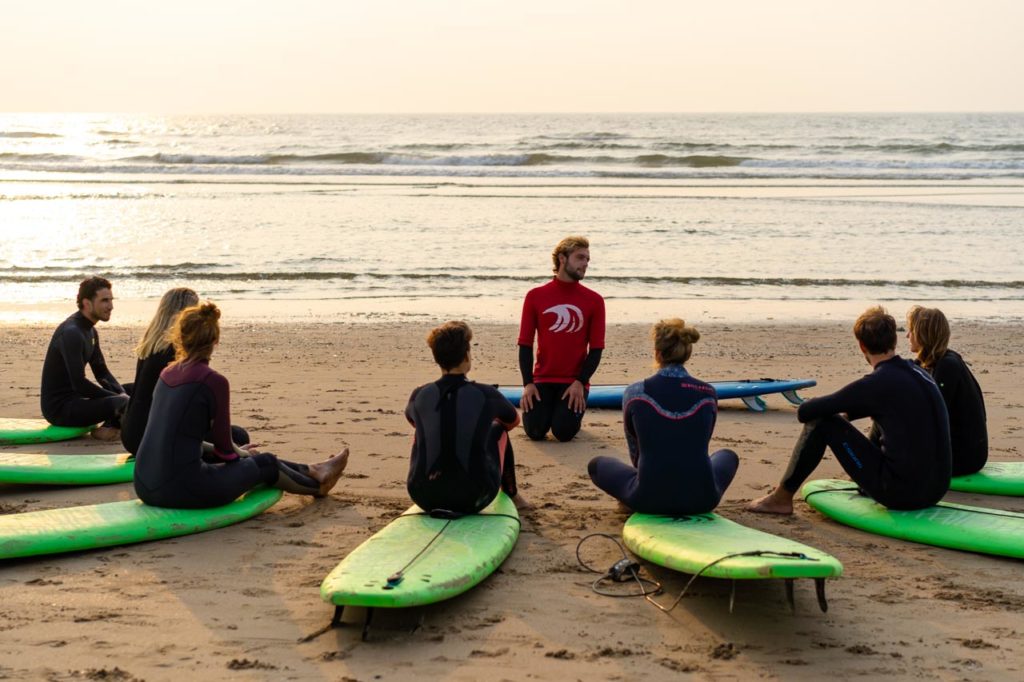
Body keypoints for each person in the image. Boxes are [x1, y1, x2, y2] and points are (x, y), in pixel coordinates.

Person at [133, 301, 348, 508]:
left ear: (179, 338)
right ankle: (318, 485)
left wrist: (239, 454)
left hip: (144, 485)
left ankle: (314, 469)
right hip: (182, 490)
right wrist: (241, 455)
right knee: (266, 462)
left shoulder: (166, 374)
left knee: (250, 458)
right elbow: (225, 452)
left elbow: (174, 437)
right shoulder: (213, 381)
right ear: (215, 340)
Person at [748, 306, 951, 515]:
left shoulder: (877, 383)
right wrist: (848, 415)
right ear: (894, 340)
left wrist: (839, 416)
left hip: (902, 494)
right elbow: (886, 404)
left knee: (821, 422)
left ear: (862, 346)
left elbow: (806, 411)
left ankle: (781, 498)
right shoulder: (918, 372)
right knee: (881, 416)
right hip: (936, 490)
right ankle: (868, 481)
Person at [588, 319, 738, 515]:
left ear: (657, 353)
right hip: (703, 499)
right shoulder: (708, 392)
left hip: (648, 499)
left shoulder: (635, 392)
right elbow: (701, 443)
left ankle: (631, 500)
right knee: (728, 456)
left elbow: (636, 452)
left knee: (596, 465)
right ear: (687, 353)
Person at [405, 320, 527, 513]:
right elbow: (513, 421)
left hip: (422, 496)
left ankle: (431, 480)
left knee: (421, 432)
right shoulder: (487, 394)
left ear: (437, 358)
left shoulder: (418, 394)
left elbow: (412, 420)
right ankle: (512, 494)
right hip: (476, 496)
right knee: (498, 428)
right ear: (466, 356)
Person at [120, 287, 250, 457]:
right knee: (239, 436)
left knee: (232, 435)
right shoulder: (173, 353)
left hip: (131, 433)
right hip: (151, 439)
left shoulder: (150, 344)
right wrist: (229, 450)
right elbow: (175, 422)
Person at [517, 236, 605, 442]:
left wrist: (580, 383)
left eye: (587, 259)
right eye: (580, 257)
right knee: (535, 431)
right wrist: (528, 384)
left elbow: (596, 349)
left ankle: (568, 413)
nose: (585, 263)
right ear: (562, 258)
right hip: (542, 379)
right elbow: (525, 344)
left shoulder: (594, 301)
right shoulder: (535, 296)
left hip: (574, 381)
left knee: (563, 432)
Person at [40, 276, 131, 441]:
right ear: (87, 303)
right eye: (104, 300)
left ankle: (110, 426)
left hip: (78, 400)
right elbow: (79, 383)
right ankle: (111, 428)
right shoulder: (72, 332)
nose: (111, 306)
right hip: (60, 409)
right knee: (122, 402)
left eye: (111, 300)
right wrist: (118, 399)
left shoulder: (90, 331)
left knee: (134, 390)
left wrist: (121, 393)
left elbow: (102, 372)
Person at [906, 306, 988, 476]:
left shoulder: (948, 366)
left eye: (911, 331)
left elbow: (931, 417)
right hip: (951, 449)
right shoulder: (932, 361)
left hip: (965, 457)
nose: (907, 336)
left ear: (922, 334)